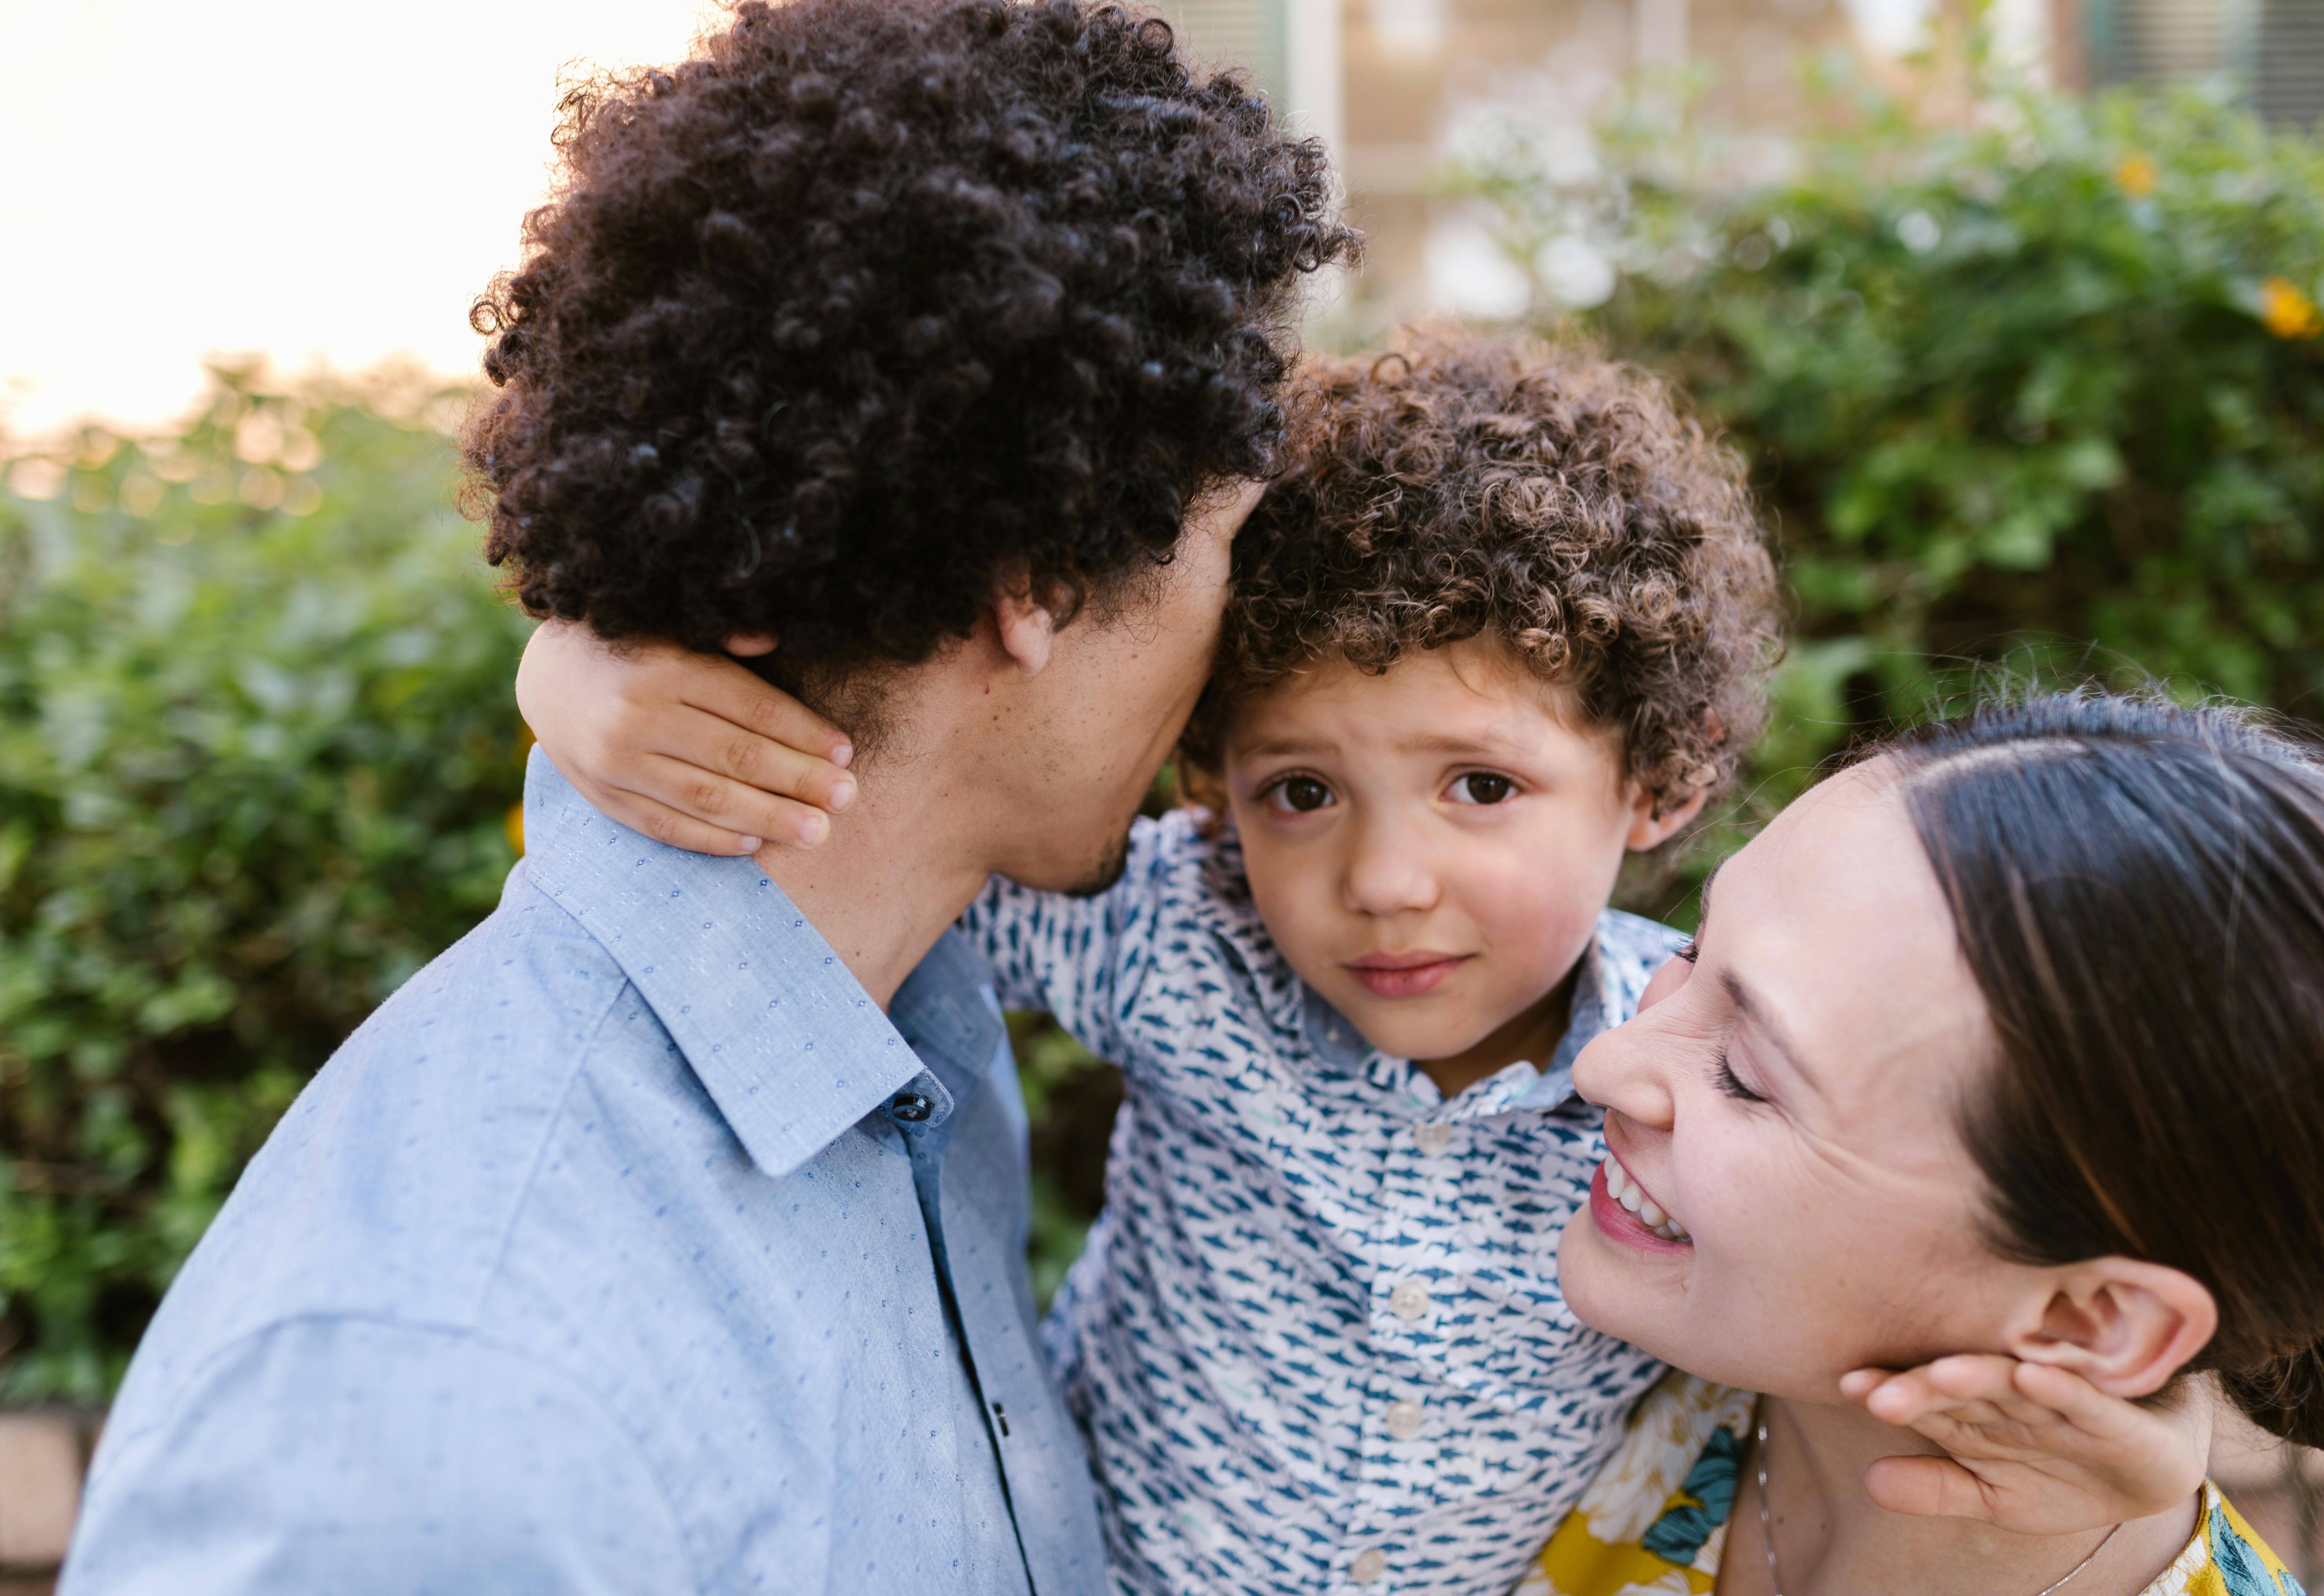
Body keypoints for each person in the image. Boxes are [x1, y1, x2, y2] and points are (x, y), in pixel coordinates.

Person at [521, 336, 2212, 1595]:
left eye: (1482, 787)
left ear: (1661, 778)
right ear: (1206, 780)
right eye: (1301, 791)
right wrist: (577, 679)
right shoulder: (1181, 931)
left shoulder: (1696, 1083)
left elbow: (1927, 1278)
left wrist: (2157, 1483)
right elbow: (821, 826)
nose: (1385, 881)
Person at [60, 3, 1357, 1592]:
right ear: (1032, 581)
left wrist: (573, 657)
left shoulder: (908, 1015)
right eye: (1231, 542)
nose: (1239, 637)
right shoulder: (451, 1402)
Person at [1524, 691, 2324, 1596]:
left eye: (1746, 1074)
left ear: (2088, 1319)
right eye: (1694, 952)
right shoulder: (1674, 1334)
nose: (1600, 1062)